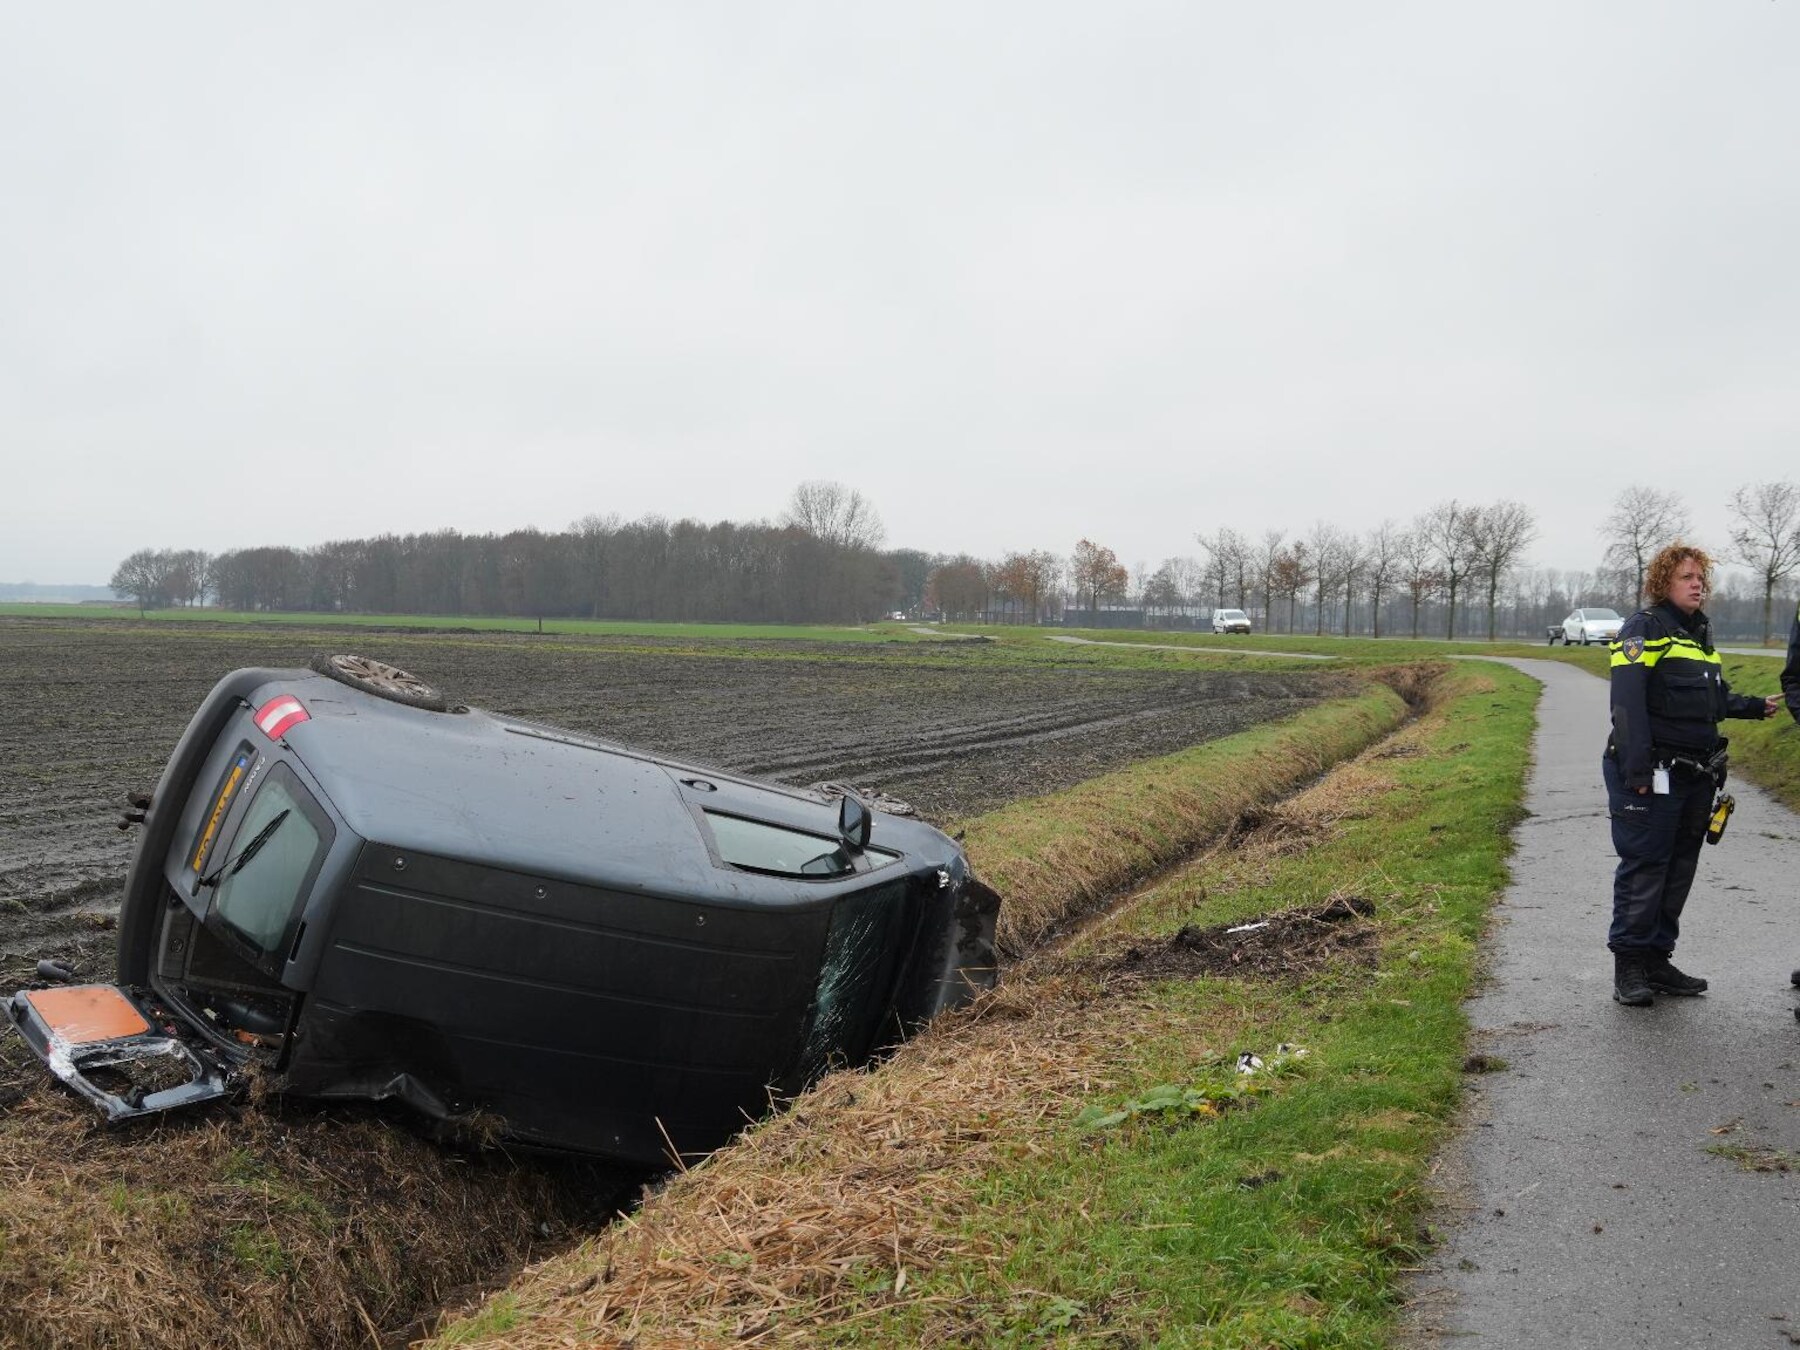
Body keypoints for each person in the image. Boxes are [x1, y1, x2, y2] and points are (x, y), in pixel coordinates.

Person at [1603, 543, 1778, 1006]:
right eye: (1686, 577)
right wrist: (1636, 769)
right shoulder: (1644, 629)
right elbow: (1626, 704)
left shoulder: (1699, 636)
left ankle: (1658, 960)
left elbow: (1714, 700)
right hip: (1652, 773)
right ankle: (1630, 967)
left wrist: (1755, 707)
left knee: (1680, 868)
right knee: (1645, 867)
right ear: (1664, 583)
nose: (1697, 584)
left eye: (1701, 577)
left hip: (1696, 775)